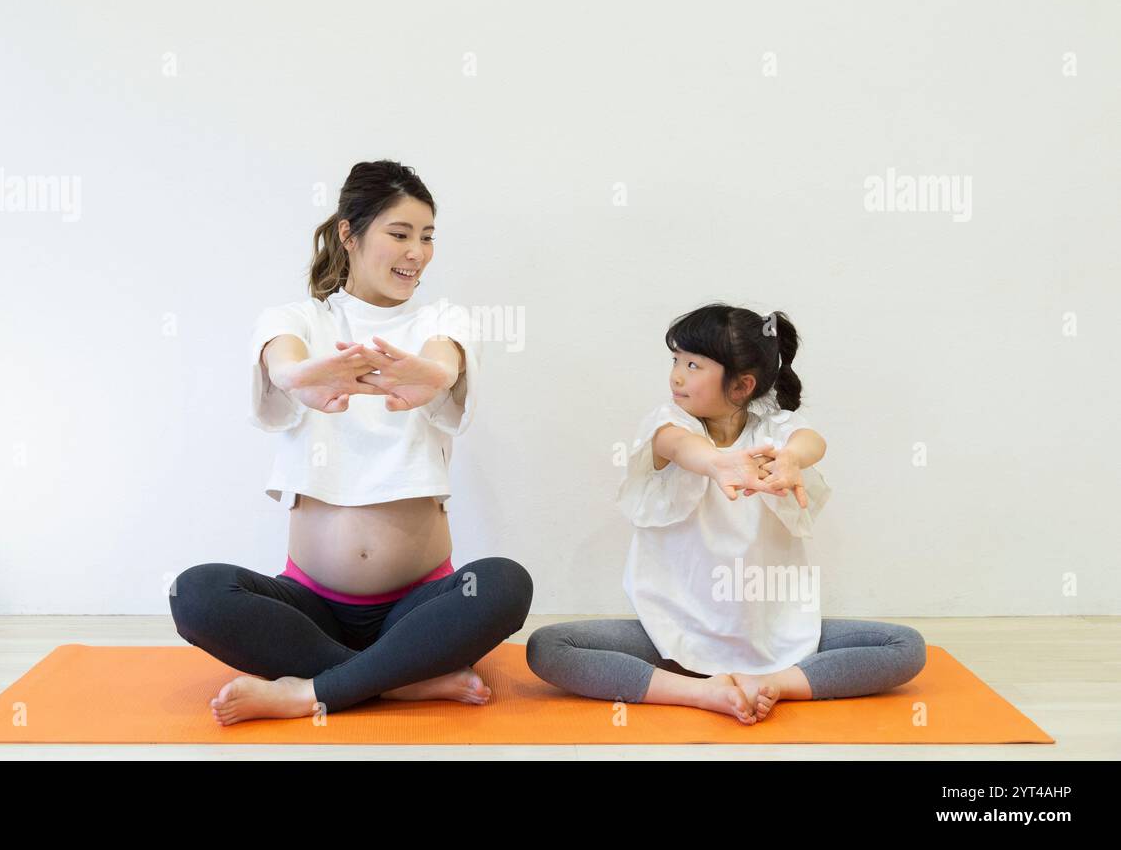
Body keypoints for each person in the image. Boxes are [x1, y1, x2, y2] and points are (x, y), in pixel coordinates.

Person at [170, 160, 533, 723]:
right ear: (349, 232)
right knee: (193, 593)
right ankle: (397, 680)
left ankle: (312, 689)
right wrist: (300, 379)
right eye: (399, 233)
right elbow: (282, 358)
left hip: (419, 606)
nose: (417, 252)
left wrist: (432, 376)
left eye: (427, 237)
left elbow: (445, 358)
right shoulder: (300, 318)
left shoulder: (442, 318)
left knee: (506, 584)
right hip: (310, 607)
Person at [526, 303, 925, 723]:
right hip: (671, 636)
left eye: (694, 364)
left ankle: (773, 685)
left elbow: (811, 440)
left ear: (740, 386)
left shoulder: (774, 434)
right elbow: (677, 445)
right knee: (550, 647)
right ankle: (699, 692)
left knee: (905, 647)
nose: (677, 374)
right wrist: (718, 463)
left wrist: (790, 460)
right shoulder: (670, 424)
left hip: (773, 639)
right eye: (676, 360)